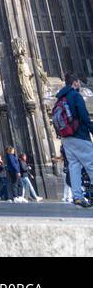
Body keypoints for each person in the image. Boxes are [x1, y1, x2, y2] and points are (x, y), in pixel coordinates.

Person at [54, 72, 93, 207]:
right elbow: (84, 115)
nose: (80, 85)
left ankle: (77, 197)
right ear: (75, 83)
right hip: (80, 135)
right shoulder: (76, 95)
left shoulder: (60, 99)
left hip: (66, 139)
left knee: (74, 167)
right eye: (79, 83)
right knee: (91, 164)